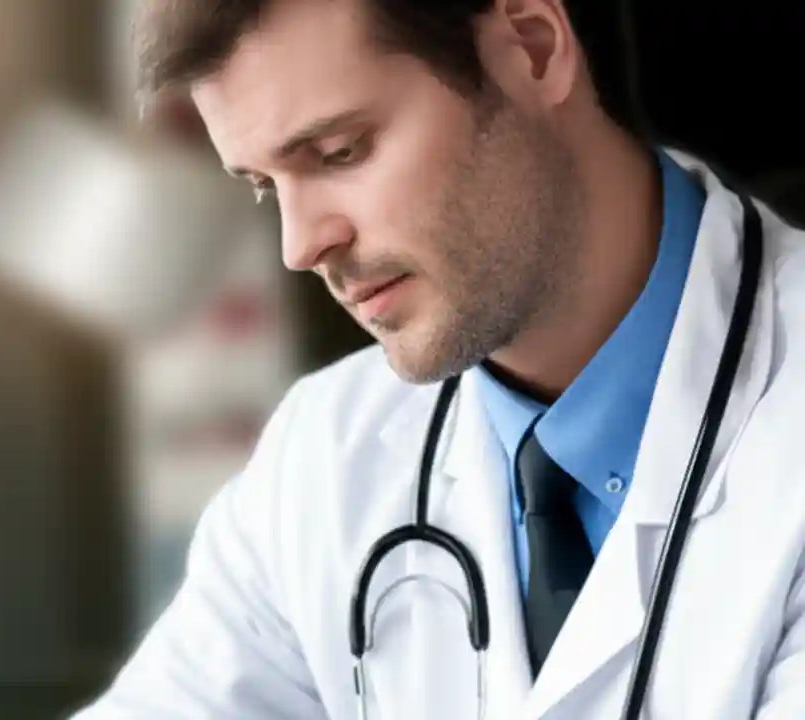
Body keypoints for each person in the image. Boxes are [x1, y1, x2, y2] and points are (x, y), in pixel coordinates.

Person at [74, 0, 805, 717]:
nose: (300, 246)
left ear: (532, 48)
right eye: (266, 187)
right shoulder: (323, 459)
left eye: (339, 152)